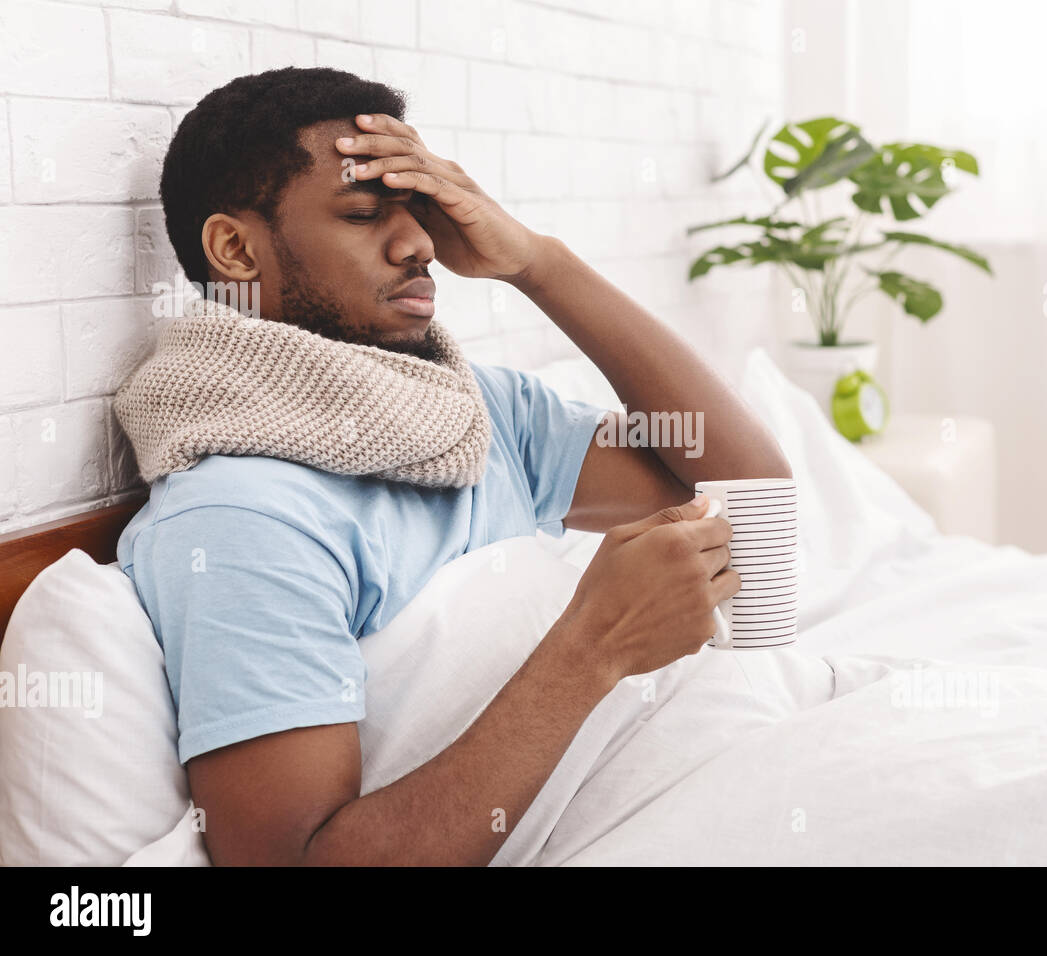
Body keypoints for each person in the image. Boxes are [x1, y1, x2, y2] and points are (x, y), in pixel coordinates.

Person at [114, 67, 791, 866]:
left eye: (421, 213)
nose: (420, 245)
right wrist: (594, 645)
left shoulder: (469, 412)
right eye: (365, 214)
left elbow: (750, 491)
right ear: (234, 249)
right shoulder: (240, 521)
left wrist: (538, 263)